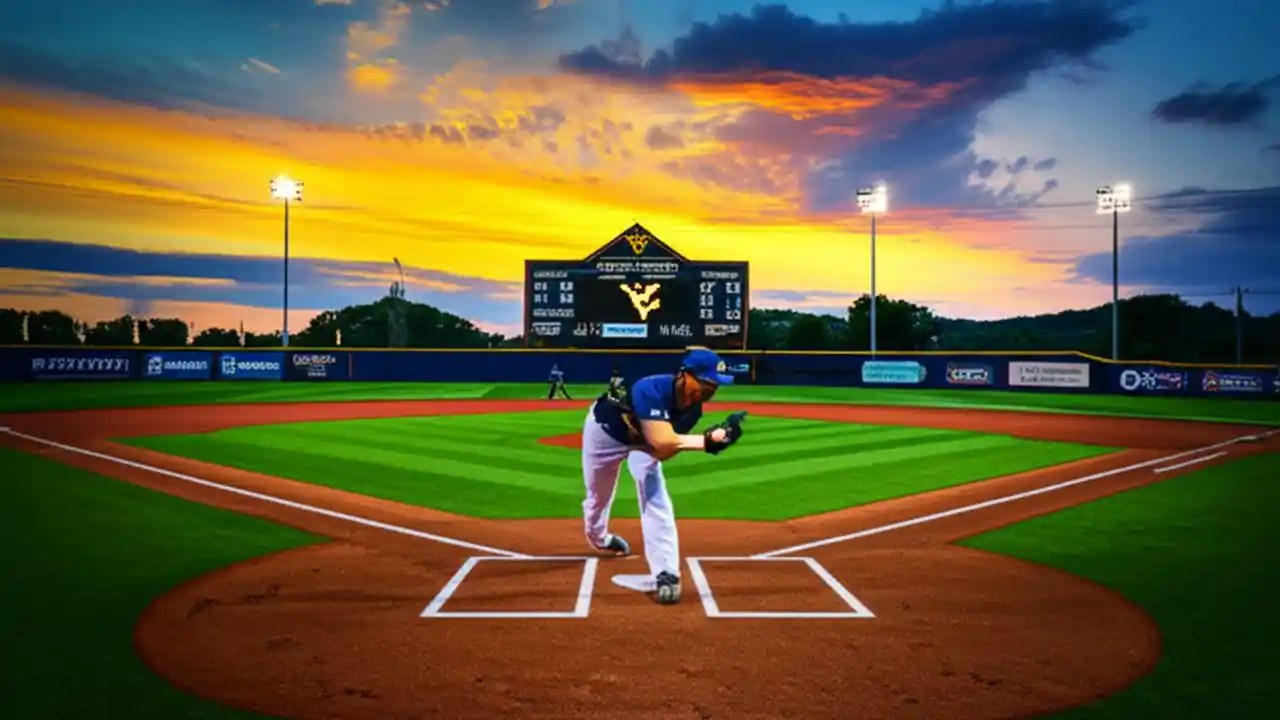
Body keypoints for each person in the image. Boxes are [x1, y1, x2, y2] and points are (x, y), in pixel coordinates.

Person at [580, 347, 747, 604]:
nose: (708, 392)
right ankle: (598, 536)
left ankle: (666, 573)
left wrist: (707, 441)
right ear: (684, 375)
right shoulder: (650, 388)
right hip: (605, 435)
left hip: (644, 445)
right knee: (598, 497)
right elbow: (664, 440)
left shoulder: (693, 412)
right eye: (704, 384)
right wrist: (709, 442)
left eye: (714, 388)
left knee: (656, 495)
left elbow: (663, 451)